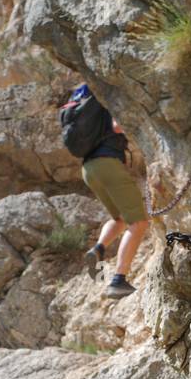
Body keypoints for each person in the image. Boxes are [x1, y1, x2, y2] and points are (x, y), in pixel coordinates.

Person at [59, 84, 148, 299]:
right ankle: (119, 280)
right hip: (108, 163)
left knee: (119, 218)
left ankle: (98, 249)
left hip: (89, 169)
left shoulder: (81, 98)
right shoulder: (103, 95)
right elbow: (117, 126)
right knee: (139, 223)